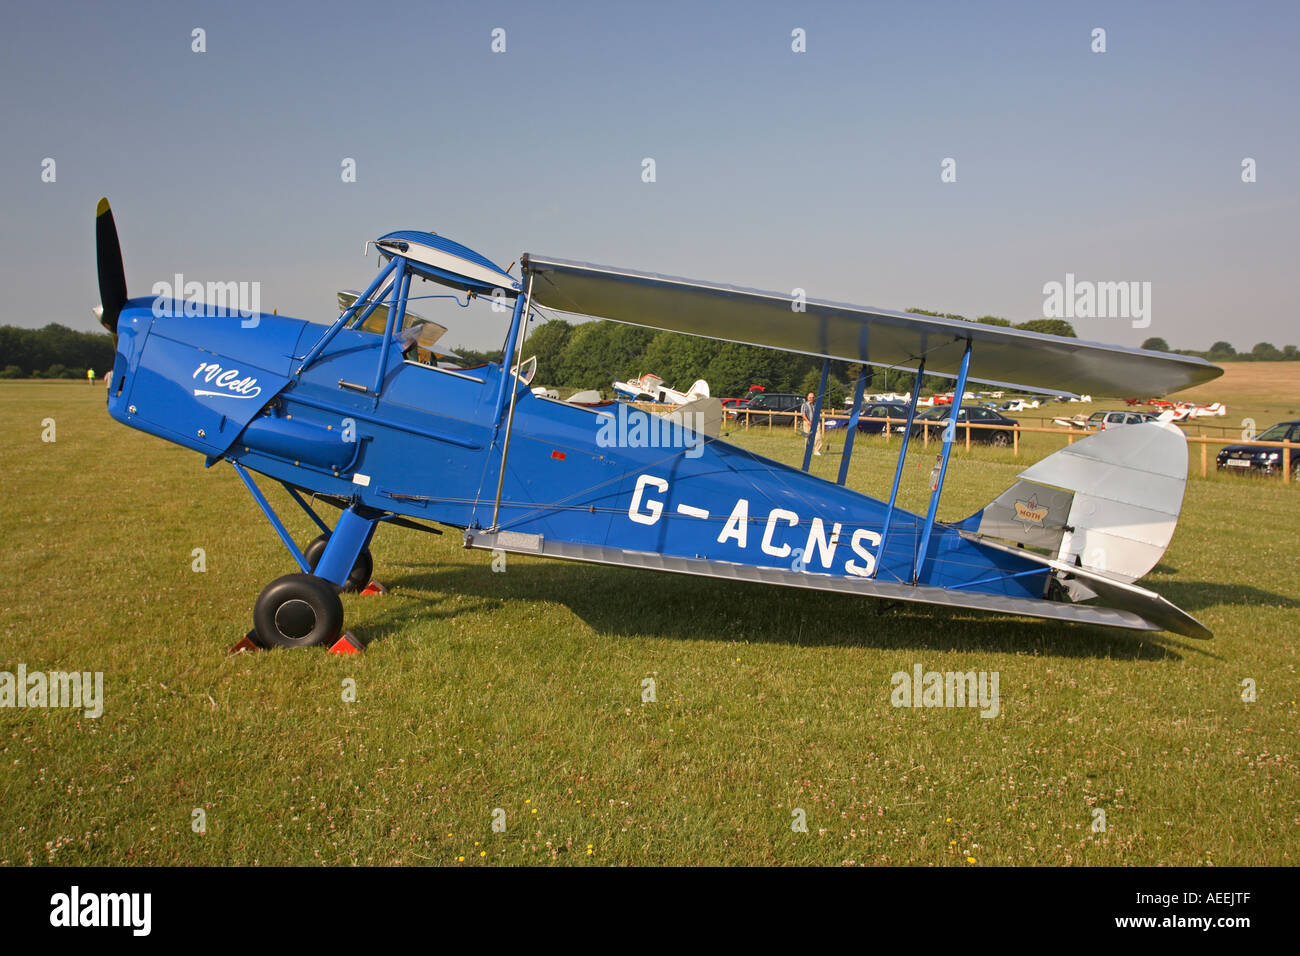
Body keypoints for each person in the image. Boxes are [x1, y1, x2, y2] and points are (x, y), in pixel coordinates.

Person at [800, 391, 823, 456]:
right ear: (807, 397)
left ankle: (817, 450)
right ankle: (808, 450)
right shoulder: (804, 405)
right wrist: (807, 421)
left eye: (812, 397)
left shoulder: (816, 405)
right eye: (810, 397)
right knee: (808, 437)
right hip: (807, 422)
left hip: (816, 422)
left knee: (818, 436)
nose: (811, 399)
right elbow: (803, 414)